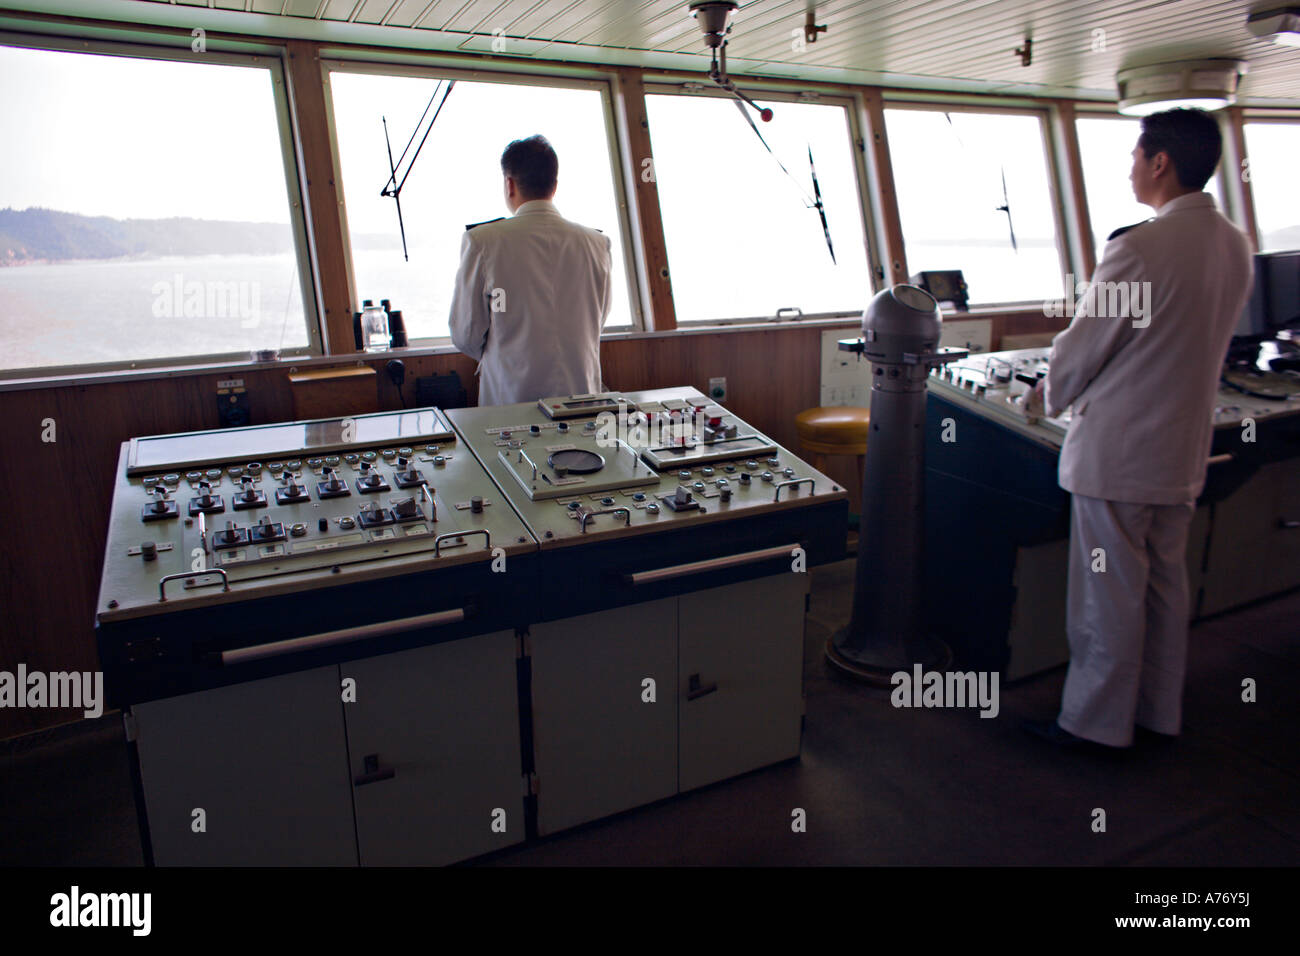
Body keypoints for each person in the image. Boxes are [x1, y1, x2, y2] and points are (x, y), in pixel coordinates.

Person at [1023, 108, 1254, 749]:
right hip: (1182, 455)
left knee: (1108, 596)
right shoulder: (1234, 244)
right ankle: (1156, 715)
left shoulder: (1141, 248)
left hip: (1119, 457)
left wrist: (1045, 396)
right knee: (1162, 590)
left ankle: (1093, 729)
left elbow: (1084, 346)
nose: (1129, 169)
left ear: (1160, 163)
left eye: (1135, 157)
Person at [448, 134, 613, 406]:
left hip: (511, 404)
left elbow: (466, 333)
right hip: (582, 404)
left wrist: (507, 352)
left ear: (509, 184)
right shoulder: (597, 243)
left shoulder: (483, 241)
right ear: (554, 185)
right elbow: (597, 320)